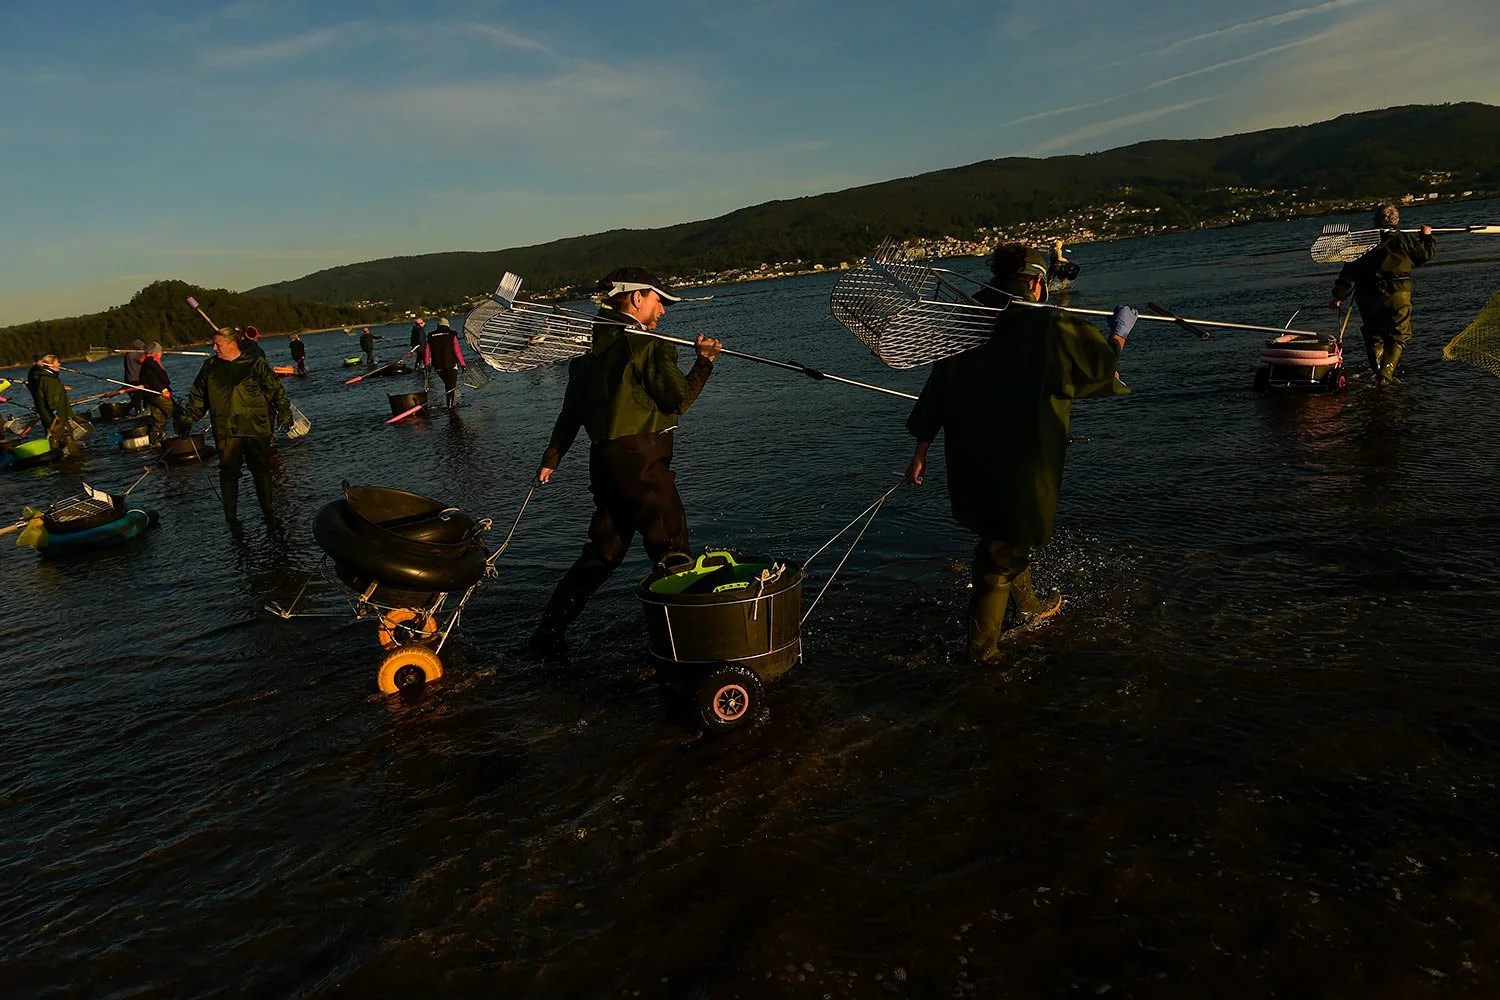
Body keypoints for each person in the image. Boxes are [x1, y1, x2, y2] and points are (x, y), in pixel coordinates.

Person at [904, 244, 1135, 663]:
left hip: (971, 452)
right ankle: (982, 654)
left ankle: (1028, 608)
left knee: (1002, 530)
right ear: (1034, 281)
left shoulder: (968, 317)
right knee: (1003, 548)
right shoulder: (1046, 322)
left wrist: (921, 450)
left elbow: (937, 383)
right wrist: (1118, 334)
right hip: (1023, 454)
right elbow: (1097, 371)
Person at [528, 266, 723, 658]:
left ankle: (547, 635)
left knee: (602, 554)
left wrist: (552, 458)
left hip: (604, 465)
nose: (663, 311)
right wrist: (704, 362)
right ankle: (695, 647)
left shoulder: (585, 358)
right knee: (673, 552)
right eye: (658, 301)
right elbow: (677, 401)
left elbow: (570, 415)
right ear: (637, 298)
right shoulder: (648, 345)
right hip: (643, 464)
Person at [176, 327, 294, 523]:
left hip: (255, 427)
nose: (214, 348)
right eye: (213, 344)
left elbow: (275, 390)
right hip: (225, 429)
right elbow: (198, 397)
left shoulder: (255, 364)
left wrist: (284, 411)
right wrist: (188, 418)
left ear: (232, 344)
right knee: (228, 472)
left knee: (261, 469)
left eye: (217, 344)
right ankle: (231, 517)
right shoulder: (209, 367)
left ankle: (269, 513)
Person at [1329, 204, 1435, 384]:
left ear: (1375, 220)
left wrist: (1338, 296)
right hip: (1397, 293)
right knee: (1398, 334)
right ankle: (1385, 376)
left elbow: (1349, 273)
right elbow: (1423, 256)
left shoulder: (1363, 243)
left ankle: (1377, 371)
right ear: (1397, 221)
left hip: (1368, 294)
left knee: (1373, 333)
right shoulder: (1404, 239)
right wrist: (1427, 237)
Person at [26, 352, 77, 452]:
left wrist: (61, 388)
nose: (59, 365)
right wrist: (55, 412)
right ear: (50, 365)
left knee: (62, 435)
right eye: (57, 362)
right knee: (61, 435)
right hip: (55, 416)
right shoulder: (48, 379)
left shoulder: (47, 377)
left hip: (53, 415)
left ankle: (64, 455)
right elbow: (51, 399)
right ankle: (67, 455)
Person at [137, 342, 174, 445]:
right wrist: (163, 389)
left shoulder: (146, 362)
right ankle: (183, 437)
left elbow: (144, 379)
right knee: (176, 412)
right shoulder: (151, 362)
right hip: (158, 394)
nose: (161, 352)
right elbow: (154, 378)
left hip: (151, 395)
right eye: (160, 350)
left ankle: (154, 442)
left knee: (159, 419)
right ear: (156, 351)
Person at [424, 318, 466, 408]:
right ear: (447, 325)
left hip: (438, 366)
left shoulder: (431, 335)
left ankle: (450, 404)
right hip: (451, 365)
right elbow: (457, 351)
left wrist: (427, 364)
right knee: (451, 387)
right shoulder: (452, 334)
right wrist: (463, 364)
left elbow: (427, 351)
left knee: (448, 385)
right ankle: (450, 406)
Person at [123, 339, 147, 413]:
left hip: (129, 379)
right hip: (135, 379)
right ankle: (129, 411)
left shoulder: (128, 354)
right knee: (138, 397)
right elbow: (141, 360)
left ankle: (137, 411)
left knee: (137, 397)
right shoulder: (135, 354)